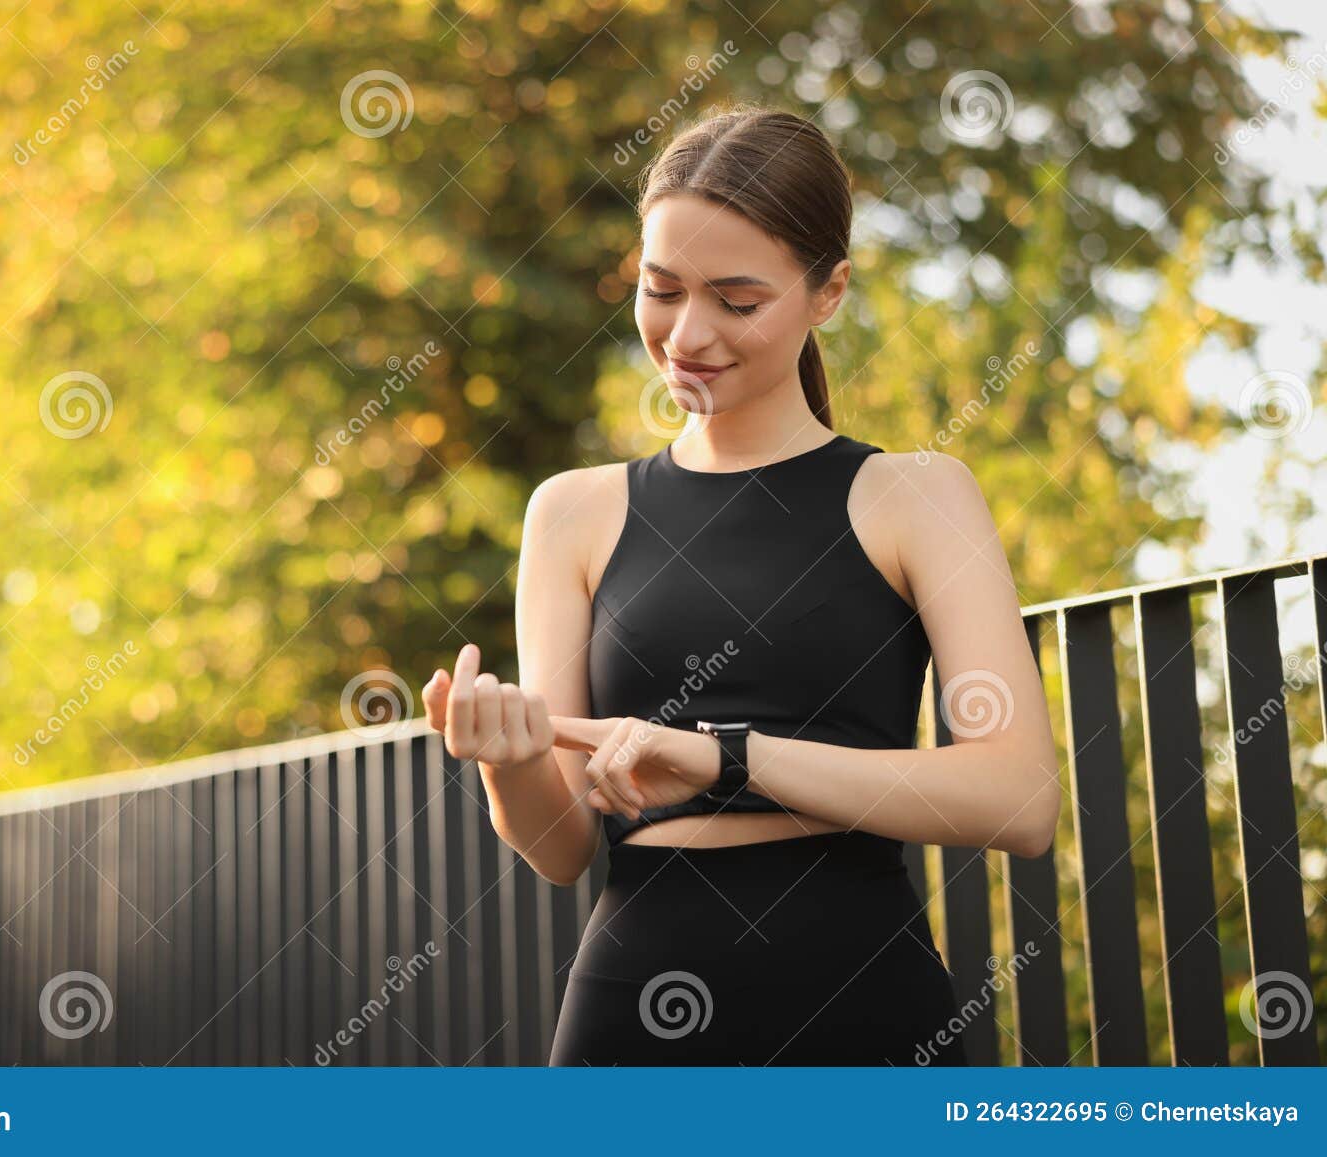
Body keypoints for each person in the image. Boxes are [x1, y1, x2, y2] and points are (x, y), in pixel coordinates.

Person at [420, 104, 1060, 1066]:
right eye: (661, 287)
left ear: (828, 293)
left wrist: (725, 758)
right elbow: (560, 848)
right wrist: (507, 756)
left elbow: (1017, 798)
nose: (687, 333)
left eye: (737, 299)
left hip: (860, 993)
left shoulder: (915, 495)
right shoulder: (571, 511)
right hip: (630, 1003)